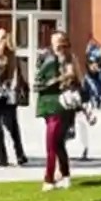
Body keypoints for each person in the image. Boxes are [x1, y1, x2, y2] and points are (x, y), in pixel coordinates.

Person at [35, 31, 79, 191]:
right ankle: (65, 175)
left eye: (62, 44)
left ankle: (49, 178)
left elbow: (73, 77)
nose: (59, 47)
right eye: (56, 44)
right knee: (58, 143)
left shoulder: (66, 59)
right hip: (54, 104)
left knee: (52, 144)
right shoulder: (50, 59)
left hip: (60, 105)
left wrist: (59, 79)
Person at [0, 28, 29, 167]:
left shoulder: (0, 52)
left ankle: (1, 157)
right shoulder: (13, 54)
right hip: (11, 94)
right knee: (13, 126)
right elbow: (19, 74)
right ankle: (20, 154)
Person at [84, 37, 101, 108]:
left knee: (98, 86)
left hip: (97, 73)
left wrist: (97, 67)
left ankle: (98, 98)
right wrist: (90, 66)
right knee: (90, 86)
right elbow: (86, 61)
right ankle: (91, 100)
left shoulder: (98, 53)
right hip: (90, 73)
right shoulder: (88, 54)